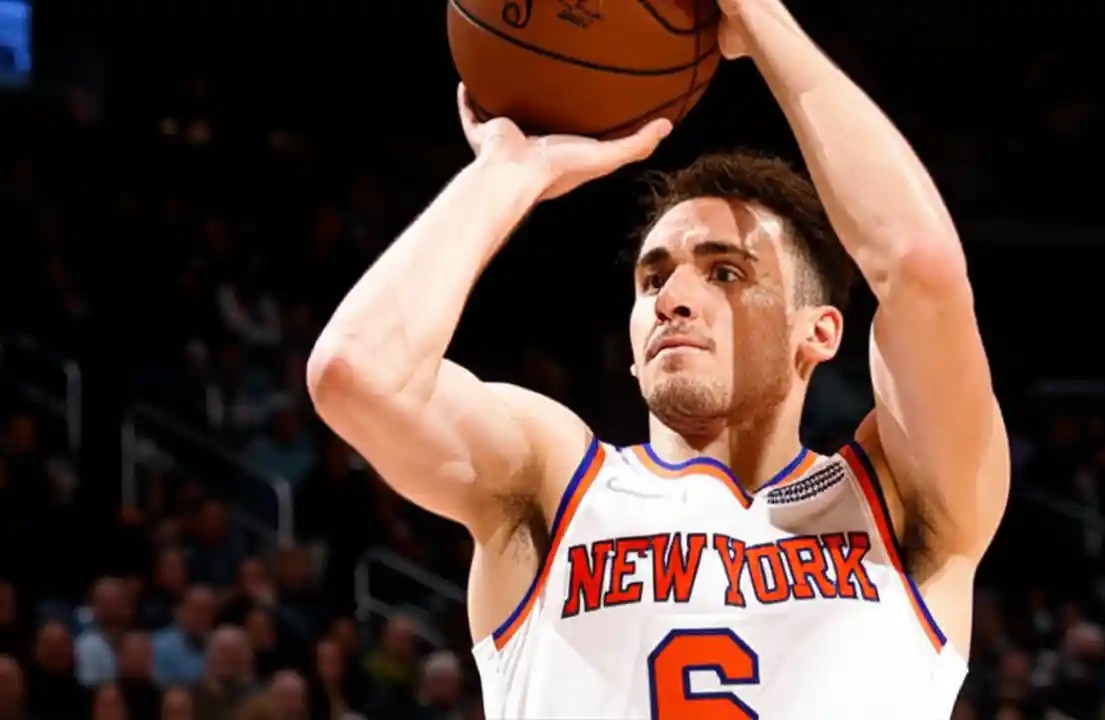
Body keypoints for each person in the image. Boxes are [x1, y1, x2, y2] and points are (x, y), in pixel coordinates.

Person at [307, 0, 1010, 716]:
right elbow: (356, 374)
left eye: (726, 272)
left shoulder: (898, 501)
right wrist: (509, 171)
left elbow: (921, 268)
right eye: (653, 276)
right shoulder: (556, 484)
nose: (674, 297)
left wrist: (761, 19)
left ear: (820, 333)